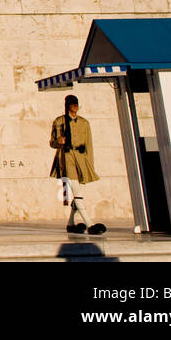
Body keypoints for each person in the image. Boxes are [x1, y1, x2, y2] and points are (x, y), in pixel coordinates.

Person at [50, 94, 105, 236]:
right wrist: (59, 141)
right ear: (67, 105)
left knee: (78, 193)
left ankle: (70, 224)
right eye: (72, 104)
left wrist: (89, 165)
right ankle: (90, 224)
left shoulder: (84, 123)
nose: (75, 106)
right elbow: (52, 143)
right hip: (67, 158)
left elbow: (89, 144)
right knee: (78, 193)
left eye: (76, 104)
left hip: (81, 159)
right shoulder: (59, 122)